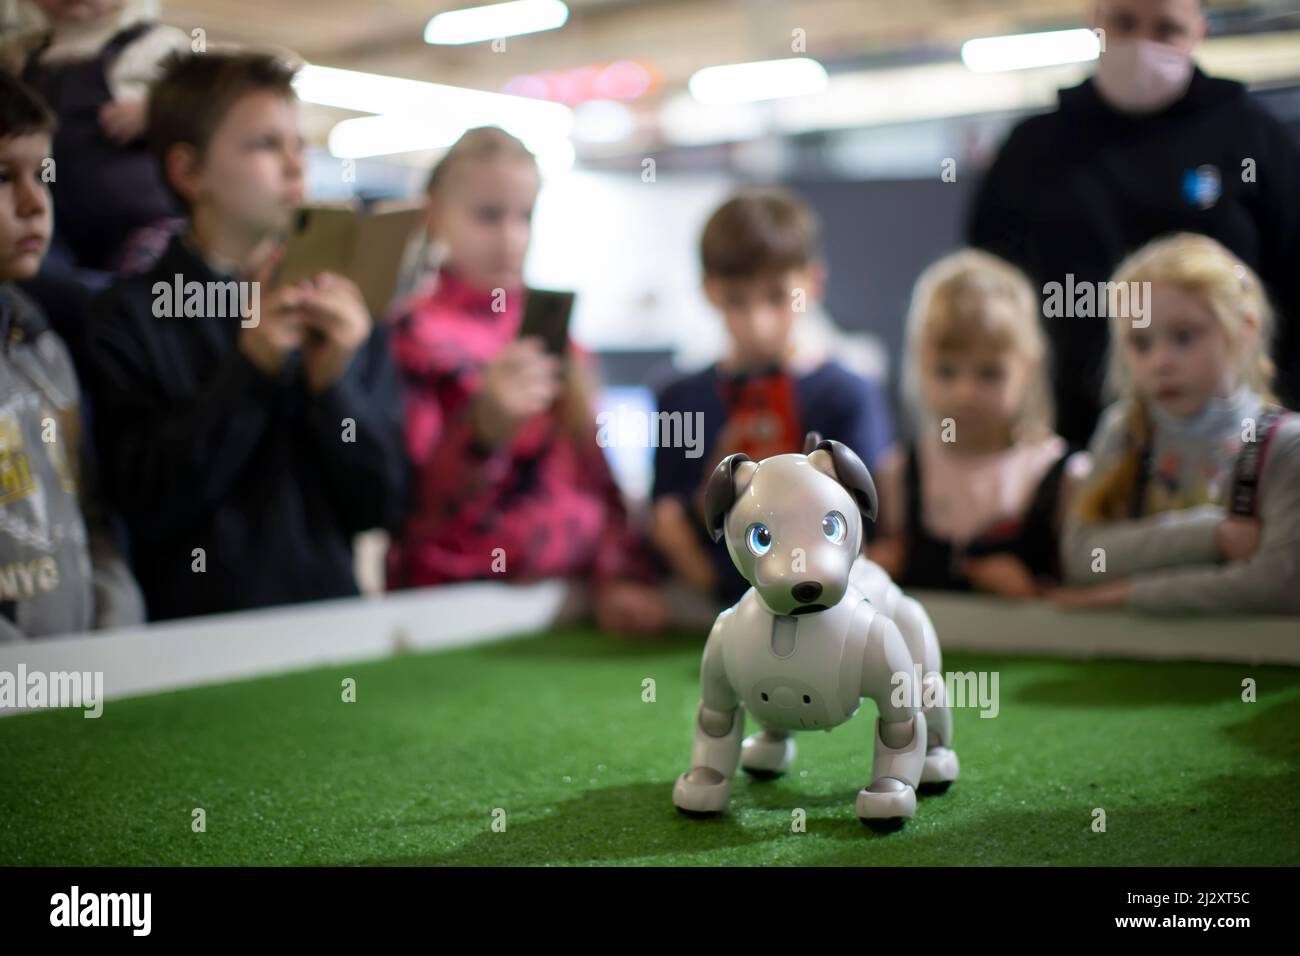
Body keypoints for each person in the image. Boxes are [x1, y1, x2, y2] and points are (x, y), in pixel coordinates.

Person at [83, 50, 407, 621]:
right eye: (264, 145)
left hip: (334, 633)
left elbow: (379, 507)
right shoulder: (126, 319)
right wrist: (249, 367)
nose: (293, 166)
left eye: (297, 144)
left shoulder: (341, 310)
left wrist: (334, 387)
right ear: (189, 172)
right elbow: (148, 504)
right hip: (194, 646)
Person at [967, 0, 1300, 448]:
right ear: (1096, 21)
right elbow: (988, 301)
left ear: (1197, 33)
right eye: (1124, 23)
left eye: (1166, 30)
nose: (1143, 45)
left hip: (1234, 443)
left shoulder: (1255, 140)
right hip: (1072, 436)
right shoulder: (1032, 152)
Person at [384, 126, 666, 636]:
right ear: (435, 213)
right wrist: (483, 430)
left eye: (525, 216)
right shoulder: (411, 334)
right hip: (447, 614)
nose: (511, 237)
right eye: (488, 215)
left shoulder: (558, 335)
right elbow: (405, 505)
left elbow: (596, 478)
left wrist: (620, 574)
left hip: (567, 606)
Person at [651, 187, 894, 606]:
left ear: (813, 284)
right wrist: (718, 483)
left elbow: (872, 527)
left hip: (826, 596)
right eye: (737, 301)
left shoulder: (848, 394)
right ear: (711, 291)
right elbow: (665, 521)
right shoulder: (681, 398)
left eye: (776, 297)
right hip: (715, 600)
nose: (758, 323)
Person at [1056, 233, 1300, 613]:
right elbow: (1085, 559)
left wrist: (1126, 594)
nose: (1161, 362)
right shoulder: (1125, 431)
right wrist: (1213, 535)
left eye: (1184, 337)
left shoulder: (1286, 444)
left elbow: (1279, 585)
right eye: (1141, 343)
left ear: (1244, 330)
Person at [0, 68, 143, 639]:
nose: (36, 203)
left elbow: (92, 517)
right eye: (2, 176)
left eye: (42, 174)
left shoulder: (47, 348)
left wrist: (115, 627)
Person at [870, 249, 1077, 597]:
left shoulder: (1062, 475)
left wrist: (1033, 594)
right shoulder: (897, 475)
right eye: (947, 371)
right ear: (920, 365)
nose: (966, 393)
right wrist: (874, 570)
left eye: (990, 373)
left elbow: (1080, 602)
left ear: (1026, 369)